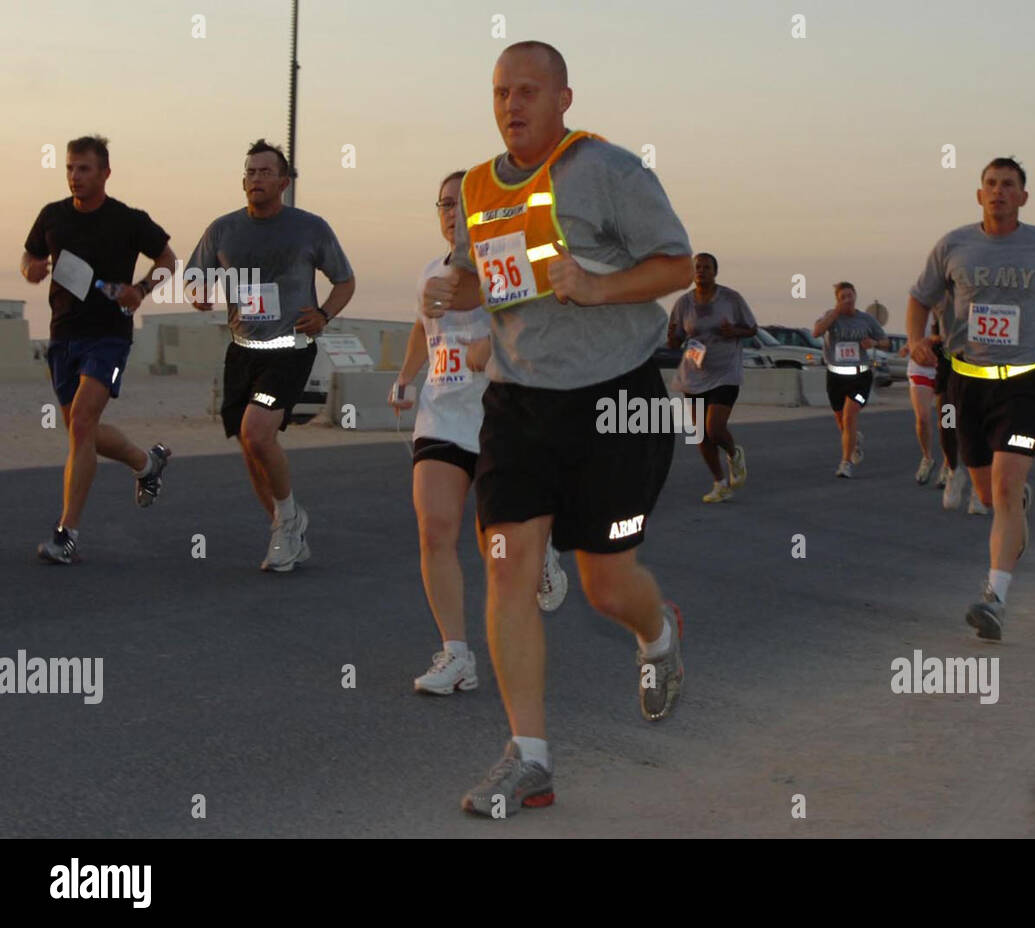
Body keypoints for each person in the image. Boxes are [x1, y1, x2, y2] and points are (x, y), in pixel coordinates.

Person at [424, 41, 692, 816]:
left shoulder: (607, 170)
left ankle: (658, 632)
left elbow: (676, 265)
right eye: (502, 92)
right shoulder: (477, 187)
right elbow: (492, 274)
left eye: (529, 91)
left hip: (614, 400)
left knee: (607, 585)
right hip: (517, 404)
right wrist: (458, 285)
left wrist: (599, 286)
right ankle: (530, 757)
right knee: (507, 566)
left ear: (564, 98)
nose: (513, 105)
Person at [389, 171, 569, 696]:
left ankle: (542, 550)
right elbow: (423, 331)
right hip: (441, 416)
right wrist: (405, 376)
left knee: (498, 544)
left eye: (460, 204)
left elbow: (535, 326)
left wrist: (491, 350)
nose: (450, 213)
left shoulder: (507, 261)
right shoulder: (431, 273)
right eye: (443, 204)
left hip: (500, 417)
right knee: (434, 529)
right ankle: (456, 654)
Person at [906, 156, 1035, 641]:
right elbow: (920, 297)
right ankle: (1013, 516)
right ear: (979, 194)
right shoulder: (954, 244)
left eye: (1008, 185)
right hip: (966, 382)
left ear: (1023, 197)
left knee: (1007, 488)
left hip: (1024, 380)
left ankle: (995, 599)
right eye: (990, 184)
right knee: (991, 495)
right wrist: (914, 340)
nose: (998, 192)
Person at [187, 139, 356, 569]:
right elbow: (193, 277)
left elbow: (344, 281)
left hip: (291, 347)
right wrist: (198, 292)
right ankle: (286, 522)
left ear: (283, 181)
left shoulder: (310, 227)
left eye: (265, 172)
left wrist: (323, 315)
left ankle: (286, 525)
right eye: (250, 172)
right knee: (250, 443)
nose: (256, 179)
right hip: (243, 350)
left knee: (258, 431)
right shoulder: (222, 229)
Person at [21, 135, 177, 564]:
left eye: (84, 169)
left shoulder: (127, 220)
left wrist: (142, 289)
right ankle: (147, 464)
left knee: (84, 421)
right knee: (79, 429)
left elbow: (168, 261)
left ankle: (66, 533)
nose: (75, 176)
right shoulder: (52, 217)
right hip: (63, 335)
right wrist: (31, 269)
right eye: (70, 168)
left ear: (105, 172)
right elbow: (30, 258)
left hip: (109, 336)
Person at [666, 252, 755, 502]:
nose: (701, 271)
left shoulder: (730, 298)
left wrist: (733, 330)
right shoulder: (684, 303)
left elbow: (752, 328)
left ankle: (733, 453)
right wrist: (672, 338)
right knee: (700, 434)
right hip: (694, 373)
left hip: (726, 371)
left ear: (715, 271)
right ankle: (720, 483)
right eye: (697, 267)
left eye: (706, 267)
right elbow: (675, 341)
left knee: (714, 428)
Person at [812, 282, 889, 477]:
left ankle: (845, 463)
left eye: (849, 295)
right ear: (837, 300)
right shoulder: (831, 316)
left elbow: (886, 342)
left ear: (855, 296)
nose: (847, 299)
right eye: (842, 297)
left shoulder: (866, 320)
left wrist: (874, 343)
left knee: (849, 415)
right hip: (835, 375)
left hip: (860, 375)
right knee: (842, 421)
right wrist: (835, 313)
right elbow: (816, 332)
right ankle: (854, 440)